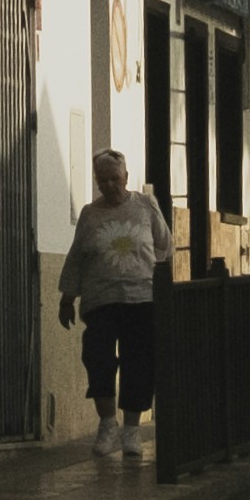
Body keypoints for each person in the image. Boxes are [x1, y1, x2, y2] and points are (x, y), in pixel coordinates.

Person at [62, 150, 166, 459]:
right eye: (102, 180)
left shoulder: (146, 206)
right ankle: (107, 424)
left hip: (141, 299)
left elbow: (164, 245)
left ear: (126, 177)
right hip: (100, 300)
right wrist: (68, 297)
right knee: (98, 358)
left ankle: (131, 430)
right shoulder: (89, 214)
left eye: (114, 179)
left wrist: (144, 269)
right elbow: (76, 257)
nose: (109, 185)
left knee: (139, 363)